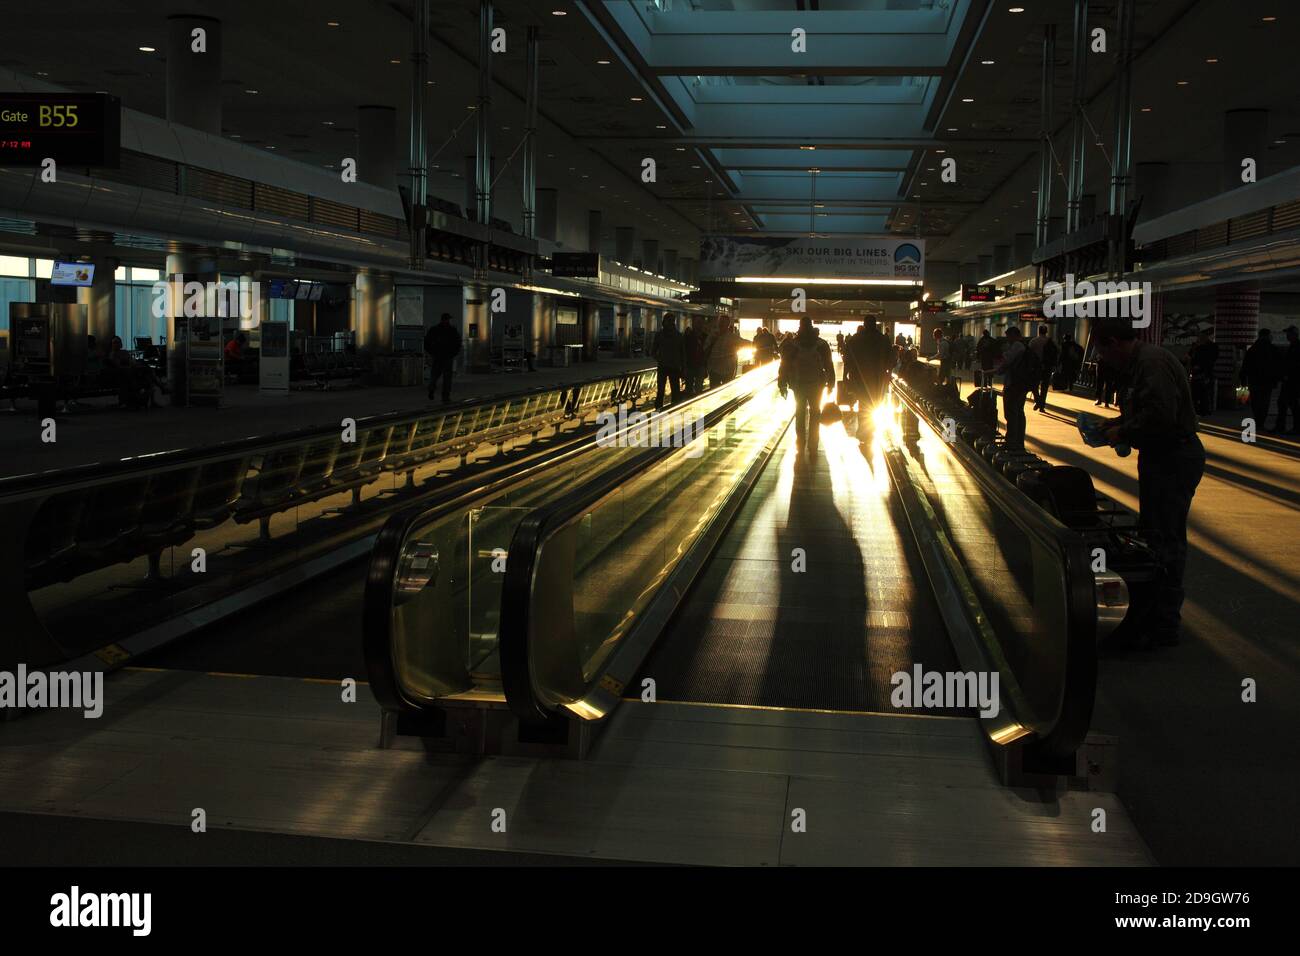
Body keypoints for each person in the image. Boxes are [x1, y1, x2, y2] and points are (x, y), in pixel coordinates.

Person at [1094, 317, 1204, 648]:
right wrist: (1113, 424)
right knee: (1154, 531)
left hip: (1173, 457)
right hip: (1161, 456)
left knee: (1165, 535)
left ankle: (1164, 622)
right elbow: (1146, 412)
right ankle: (1154, 613)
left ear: (1113, 343)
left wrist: (1123, 432)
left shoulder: (1151, 364)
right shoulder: (1141, 363)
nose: (1101, 359)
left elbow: (1161, 416)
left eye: (1101, 350)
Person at [779, 317, 835, 455]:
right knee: (815, 412)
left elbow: (784, 365)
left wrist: (782, 383)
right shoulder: (821, 344)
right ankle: (813, 444)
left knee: (800, 412)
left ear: (800, 326)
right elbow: (829, 364)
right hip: (817, 384)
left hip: (798, 383)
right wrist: (831, 383)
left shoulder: (793, 344)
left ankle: (800, 442)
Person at [991, 326, 1033, 451]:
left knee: (1011, 413)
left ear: (1015, 335)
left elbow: (1007, 362)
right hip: (1021, 385)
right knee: (1019, 413)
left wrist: (995, 370)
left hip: (1014, 385)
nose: (1007, 339)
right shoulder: (1024, 347)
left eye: (1009, 336)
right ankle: (1019, 441)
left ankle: (1011, 442)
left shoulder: (1016, 346)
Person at [1241, 328, 1282, 429]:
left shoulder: (1252, 349)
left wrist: (1243, 380)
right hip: (1267, 381)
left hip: (1254, 380)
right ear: (1268, 336)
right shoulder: (1273, 349)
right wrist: (1277, 379)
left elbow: (1245, 365)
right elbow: (1278, 365)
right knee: (1265, 402)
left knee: (1255, 401)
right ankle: (1261, 422)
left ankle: (1258, 421)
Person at [424, 312, 462, 402]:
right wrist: (454, 353)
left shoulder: (434, 329)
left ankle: (431, 389)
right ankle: (445, 396)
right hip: (447, 357)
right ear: (448, 320)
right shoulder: (452, 330)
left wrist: (431, 352)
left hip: (437, 356)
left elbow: (427, 342)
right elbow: (458, 343)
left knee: (434, 375)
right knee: (447, 378)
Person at [653, 312, 684, 410]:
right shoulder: (678, 335)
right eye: (669, 321)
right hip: (670, 366)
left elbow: (653, 351)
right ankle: (673, 408)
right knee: (671, 390)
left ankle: (660, 409)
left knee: (664, 390)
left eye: (671, 321)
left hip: (668, 367)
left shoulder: (662, 335)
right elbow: (682, 353)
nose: (670, 323)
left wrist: (659, 358)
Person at [1273, 325, 1300, 434]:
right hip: (1290, 380)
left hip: (1293, 381)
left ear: (1294, 335)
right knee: (1286, 404)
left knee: (1291, 404)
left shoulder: (1297, 347)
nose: (1287, 336)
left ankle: (1293, 428)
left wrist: (1287, 374)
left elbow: (1294, 364)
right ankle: (1283, 426)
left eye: (1288, 334)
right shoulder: (1293, 346)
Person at [1186, 329, 1219, 416]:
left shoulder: (1201, 348)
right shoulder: (1210, 347)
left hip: (1201, 372)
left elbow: (1192, 358)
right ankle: (1204, 410)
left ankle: (1200, 409)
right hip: (1205, 372)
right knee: (1204, 392)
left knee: (1199, 392)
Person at [1029, 324, 1058, 412]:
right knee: (1044, 387)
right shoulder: (1051, 341)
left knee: (1034, 385)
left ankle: (1038, 401)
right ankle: (1042, 406)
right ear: (1046, 331)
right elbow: (1057, 351)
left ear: (1039, 331)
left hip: (1036, 366)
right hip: (1047, 367)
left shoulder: (1034, 341)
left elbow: (1028, 353)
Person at [705, 316, 742, 387]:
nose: (721, 324)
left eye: (723, 322)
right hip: (714, 369)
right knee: (714, 390)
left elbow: (743, 342)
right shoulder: (712, 335)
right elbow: (705, 349)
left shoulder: (732, 337)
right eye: (720, 322)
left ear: (727, 324)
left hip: (727, 370)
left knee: (726, 390)